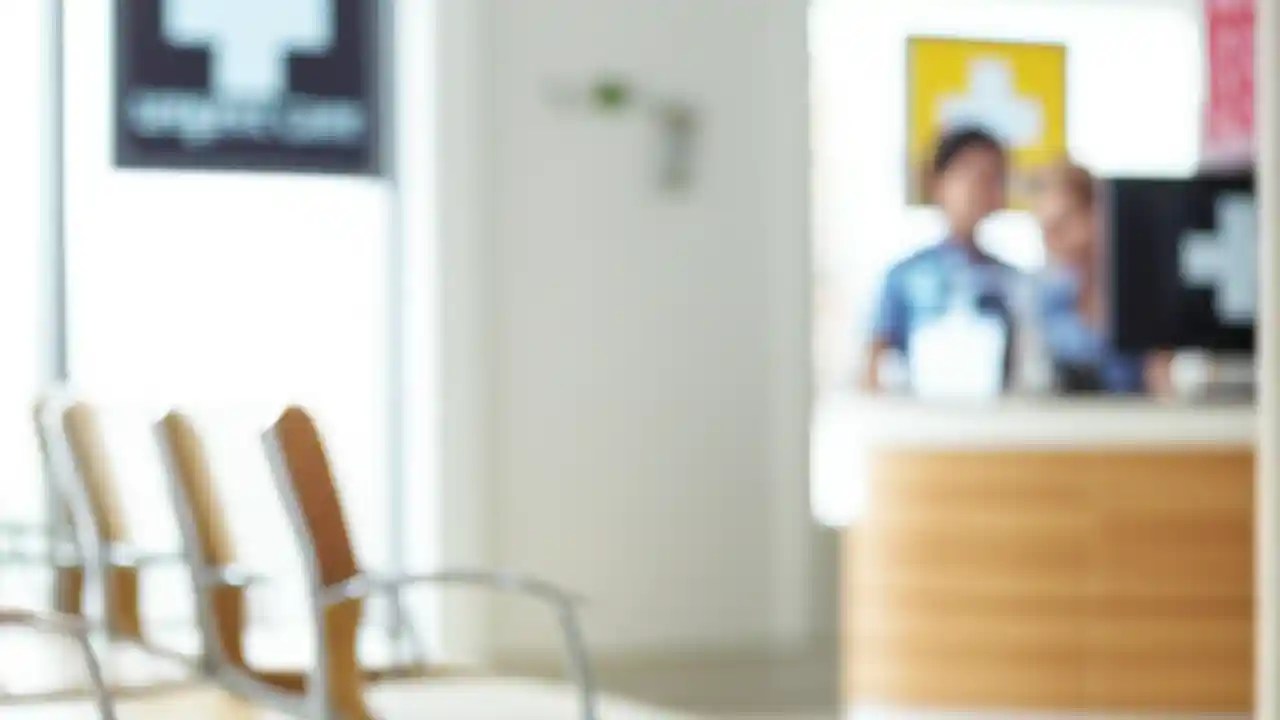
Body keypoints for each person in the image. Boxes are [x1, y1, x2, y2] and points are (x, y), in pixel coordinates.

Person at [863, 127, 1017, 393]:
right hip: (923, 415)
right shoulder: (905, 277)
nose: (980, 189)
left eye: (993, 178)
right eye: (971, 175)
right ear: (938, 183)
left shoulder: (1013, 282)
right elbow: (873, 367)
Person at [1034, 161, 1172, 395]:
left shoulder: (1145, 297)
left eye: (1063, 223)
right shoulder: (1046, 302)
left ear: (1099, 214)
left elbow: (1162, 385)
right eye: (1046, 229)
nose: (1054, 240)